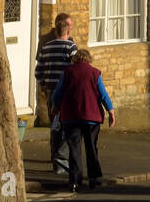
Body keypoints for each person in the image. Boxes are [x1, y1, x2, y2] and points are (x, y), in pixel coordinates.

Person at [50, 49, 116, 191]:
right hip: (91, 118)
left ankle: (75, 180)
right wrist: (110, 111)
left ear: (75, 59)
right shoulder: (95, 73)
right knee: (91, 147)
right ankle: (94, 178)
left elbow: (58, 93)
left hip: (71, 117)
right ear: (88, 59)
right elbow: (103, 94)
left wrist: (55, 107)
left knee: (74, 149)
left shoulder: (67, 72)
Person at [34, 13, 77, 174]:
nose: (71, 28)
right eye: (69, 25)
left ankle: (56, 160)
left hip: (52, 91)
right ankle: (60, 159)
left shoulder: (47, 46)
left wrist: (45, 85)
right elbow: (76, 71)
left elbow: (38, 71)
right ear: (63, 27)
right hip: (65, 93)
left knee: (56, 125)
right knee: (68, 126)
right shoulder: (70, 46)